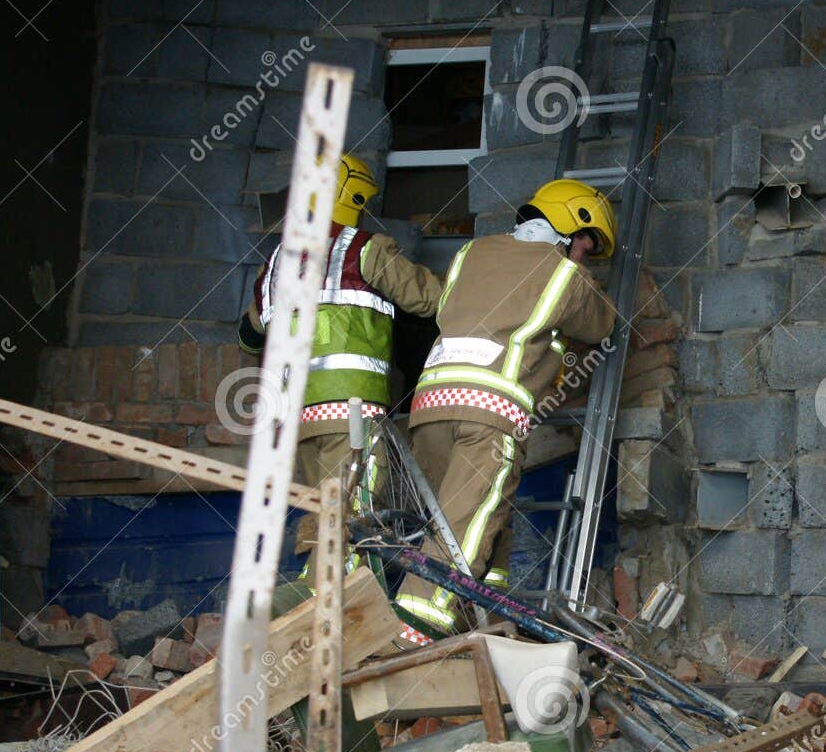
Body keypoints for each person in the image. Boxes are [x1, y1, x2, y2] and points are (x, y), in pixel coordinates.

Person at [389, 178, 617, 645]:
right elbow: (601, 322)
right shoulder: (564, 276)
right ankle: (413, 632)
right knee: (463, 529)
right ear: (569, 230)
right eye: (586, 248)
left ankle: (481, 623)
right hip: (487, 414)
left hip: (428, 408)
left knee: (467, 518)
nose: (583, 259)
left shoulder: (469, 256)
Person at [238, 153, 443, 583]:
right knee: (355, 521)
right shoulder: (364, 248)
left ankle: (317, 610)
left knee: (325, 516)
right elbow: (428, 300)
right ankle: (325, 617)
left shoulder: (275, 264)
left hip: (298, 421)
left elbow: (248, 336)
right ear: (351, 197)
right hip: (350, 415)